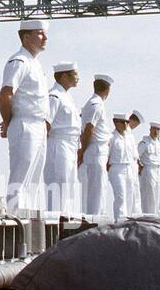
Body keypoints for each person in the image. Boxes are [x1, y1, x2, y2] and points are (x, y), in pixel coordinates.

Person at [0, 18, 51, 212]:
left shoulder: (35, 63)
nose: (45, 37)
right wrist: (8, 121)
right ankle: (15, 219)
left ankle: (30, 226)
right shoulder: (19, 62)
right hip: (25, 124)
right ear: (26, 37)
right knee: (20, 179)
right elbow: (5, 93)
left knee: (34, 182)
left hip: (38, 125)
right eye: (40, 33)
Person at [42, 61, 82, 213]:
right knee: (58, 186)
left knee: (69, 188)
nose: (78, 78)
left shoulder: (67, 97)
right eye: (75, 74)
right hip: (58, 146)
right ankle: (55, 224)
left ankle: (66, 223)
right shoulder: (54, 97)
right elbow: (46, 124)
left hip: (70, 146)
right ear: (64, 76)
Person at [78, 74, 114, 217]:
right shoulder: (96, 105)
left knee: (99, 189)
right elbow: (89, 129)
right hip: (95, 150)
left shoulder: (93, 103)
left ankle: (96, 218)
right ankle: (94, 220)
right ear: (108, 90)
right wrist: (83, 150)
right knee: (96, 190)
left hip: (97, 150)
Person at [107, 113, 136, 220]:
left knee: (129, 196)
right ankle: (119, 221)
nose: (125, 124)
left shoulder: (130, 138)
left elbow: (134, 156)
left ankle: (127, 221)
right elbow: (107, 156)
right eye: (123, 122)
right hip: (117, 168)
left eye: (127, 122)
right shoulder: (111, 138)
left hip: (129, 167)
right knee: (120, 196)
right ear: (115, 122)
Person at [137, 121, 160, 217]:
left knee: (157, 195)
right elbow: (136, 156)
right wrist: (140, 167)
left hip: (157, 171)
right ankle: (147, 216)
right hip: (148, 170)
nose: (156, 132)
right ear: (150, 130)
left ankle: (155, 216)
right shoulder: (145, 142)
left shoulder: (157, 143)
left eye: (158, 130)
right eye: (154, 129)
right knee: (149, 195)